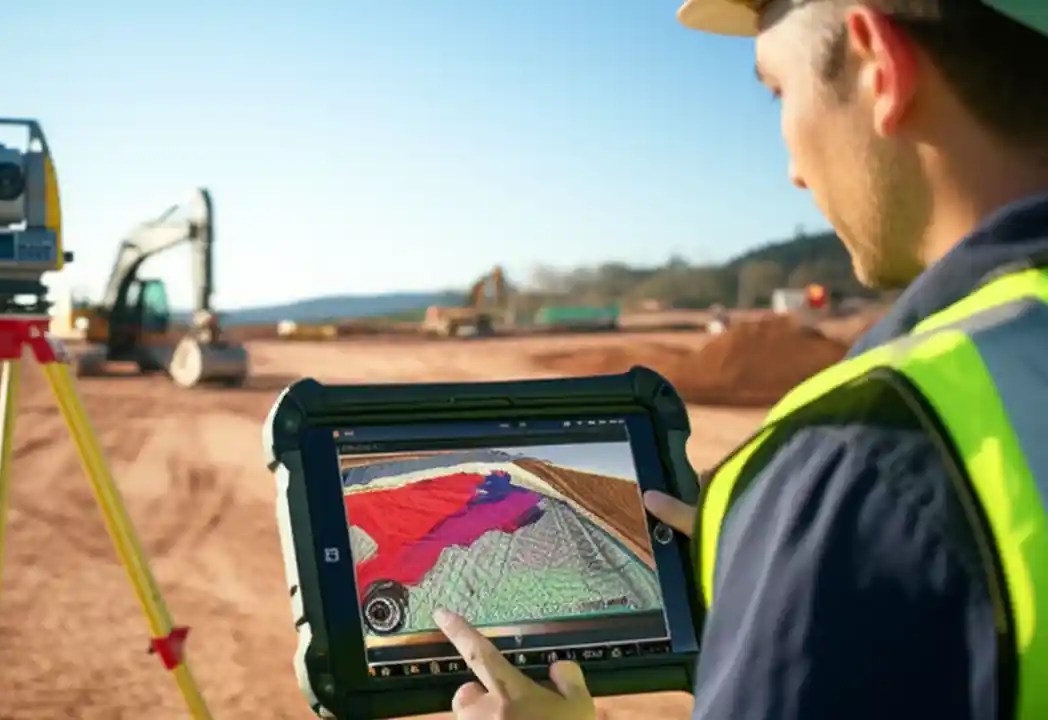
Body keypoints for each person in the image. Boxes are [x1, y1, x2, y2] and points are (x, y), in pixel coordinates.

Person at [433, 1, 1048, 718]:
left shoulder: (867, 456)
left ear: (878, 65)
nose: (793, 172)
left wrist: (803, 548)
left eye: (778, 90)